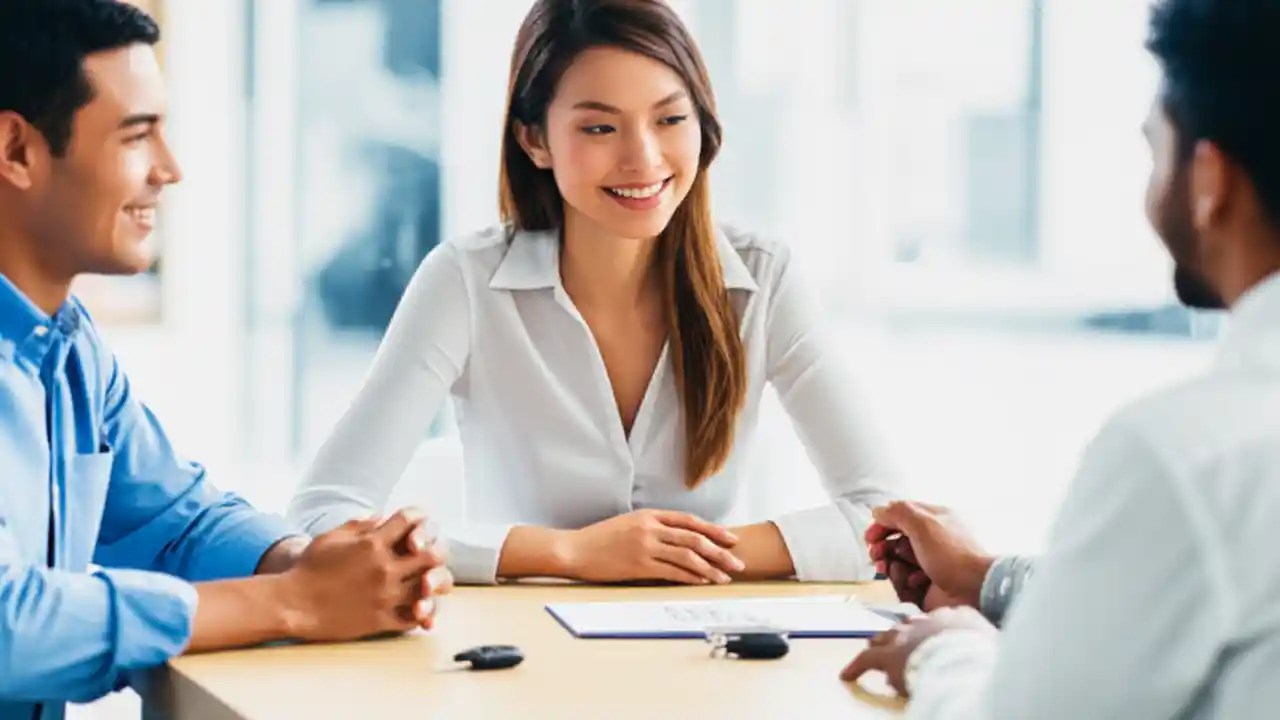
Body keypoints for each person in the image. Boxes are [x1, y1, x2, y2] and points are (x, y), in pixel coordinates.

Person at [288, 0, 901, 586]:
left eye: (669, 119)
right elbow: (323, 518)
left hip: (701, 654)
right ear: (535, 140)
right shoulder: (466, 282)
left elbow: (891, 523)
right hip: (518, 658)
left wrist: (672, 554)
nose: (644, 157)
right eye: (601, 126)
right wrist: (568, 553)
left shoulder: (762, 278)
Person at [0, 3, 451, 718]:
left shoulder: (69, 350)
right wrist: (289, 604)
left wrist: (316, 562)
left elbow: (174, 520)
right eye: (137, 134)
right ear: (17, 151)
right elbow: (8, 625)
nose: (169, 170)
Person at [842, 0, 1280, 717]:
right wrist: (988, 579)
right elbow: (1162, 592)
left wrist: (945, 648)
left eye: (1154, 150)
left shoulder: (1184, 454)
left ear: (1210, 182)